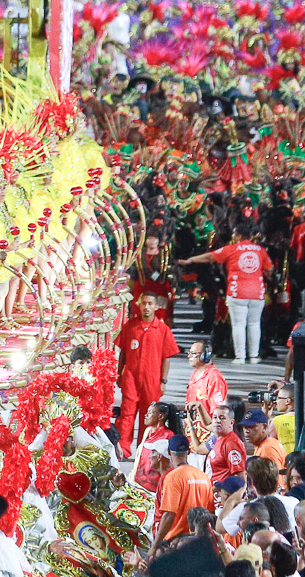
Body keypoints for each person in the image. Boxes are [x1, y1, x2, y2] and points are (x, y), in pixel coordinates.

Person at [180, 232, 272, 363]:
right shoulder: (260, 250)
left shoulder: (232, 249)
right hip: (257, 292)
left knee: (238, 324)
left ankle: (240, 357)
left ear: (239, 236)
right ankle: (253, 356)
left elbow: (209, 257)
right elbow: (270, 269)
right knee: (254, 324)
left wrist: (191, 259)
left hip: (237, 291)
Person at [116, 296, 174, 457]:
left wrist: (163, 380)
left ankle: (145, 449)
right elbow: (123, 352)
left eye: (150, 304)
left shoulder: (162, 330)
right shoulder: (130, 326)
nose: (146, 307)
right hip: (131, 377)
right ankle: (123, 449)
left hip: (152, 379)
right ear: (139, 305)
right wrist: (119, 373)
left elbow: (166, 357)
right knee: (127, 413)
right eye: (144, 304)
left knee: (149, 414)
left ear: (156, 307)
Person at [152, 436, 212, 543]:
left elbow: (169, 514)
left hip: (177, 541)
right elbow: (210, 511)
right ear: (188, 452)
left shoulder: (172, 477)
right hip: (199, 540)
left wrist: (155, 544)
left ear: (169, 452)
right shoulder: (203, 477)